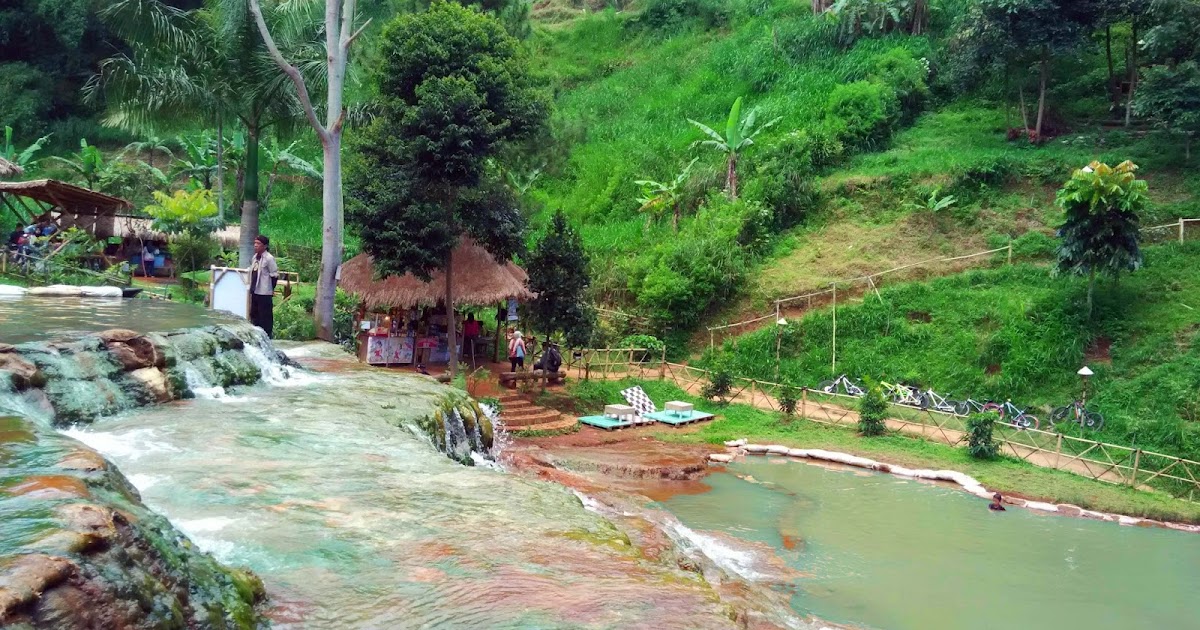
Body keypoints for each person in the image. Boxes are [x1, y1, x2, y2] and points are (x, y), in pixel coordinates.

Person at [249, 234, 279, 338]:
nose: (255, 246)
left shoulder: (269, 258)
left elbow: (274, 275)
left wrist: (270, 290)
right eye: (255, 243)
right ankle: (256, 336)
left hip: (264, 292)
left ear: (265, 246)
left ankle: (267, 336)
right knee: (254, 314)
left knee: (265, 316)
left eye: (258, 244)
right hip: (255, 291)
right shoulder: (254, 258)